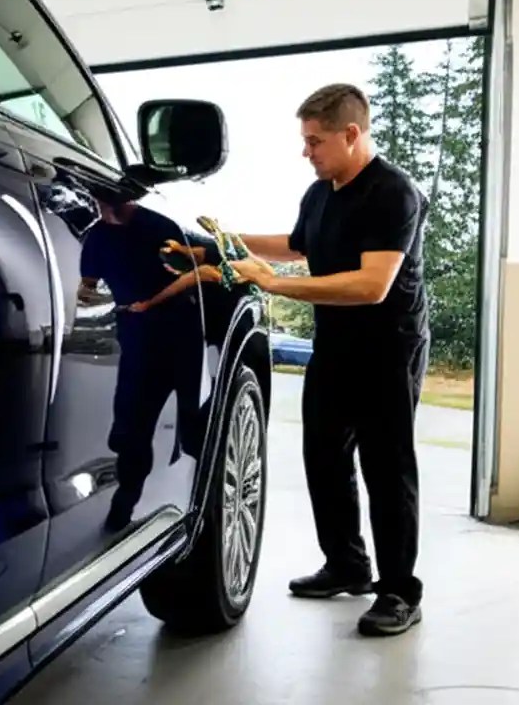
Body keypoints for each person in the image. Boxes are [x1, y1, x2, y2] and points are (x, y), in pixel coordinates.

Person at [229, 83, 430, 637]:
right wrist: (225, 242)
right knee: (323, 454)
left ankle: (399, 592)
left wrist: (272, 285)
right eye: (304, 140)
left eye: (315, 141)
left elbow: (371, 285)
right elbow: (296, 244)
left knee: (386, 469)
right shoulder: (320, 192)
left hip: (389, 346)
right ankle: (347, 564)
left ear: (351, 133)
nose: (306, 152)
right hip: (335, 345)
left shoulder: (394, 193)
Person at [78, 200, 202, 531]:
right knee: (129, 431)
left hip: (182, 338)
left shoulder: (160, 227)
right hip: (137, 344)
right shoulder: (97, 238)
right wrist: (91, 300)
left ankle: (203, 510)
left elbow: (190, 278)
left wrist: (148, 304)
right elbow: (86, 288)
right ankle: (124, 504)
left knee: (194, 428)